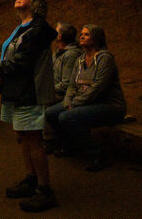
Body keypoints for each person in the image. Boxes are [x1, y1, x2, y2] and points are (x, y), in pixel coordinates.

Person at [0, 0, 57, 212]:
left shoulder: (37, 29)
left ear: (36, 3)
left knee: (33, 137)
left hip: (29, 89)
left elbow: (24, 60)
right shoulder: (22, 27)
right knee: (22, 135)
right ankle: (31, 179)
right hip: (16, 88)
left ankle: (45, 190)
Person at [45, 25, 127, 171]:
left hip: (109, 105)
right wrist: (69, 100)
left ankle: (97, 154)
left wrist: (75, 103)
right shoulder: (80, 59)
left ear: (96, 38)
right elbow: (71, 85)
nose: (82, 36)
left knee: (67, 117)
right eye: (82, 34)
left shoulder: (105, 59)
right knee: (50, 113)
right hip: (84, 102)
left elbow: (97, 89)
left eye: (87, 34)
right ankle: (71, 144)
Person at [52, 22, 82, 102]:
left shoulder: (71, 54)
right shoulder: (58, 52)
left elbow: (66, 84)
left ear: (60, 36)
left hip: (61, 96)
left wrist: (46, 89)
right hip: (52, 92)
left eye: (56, 31)